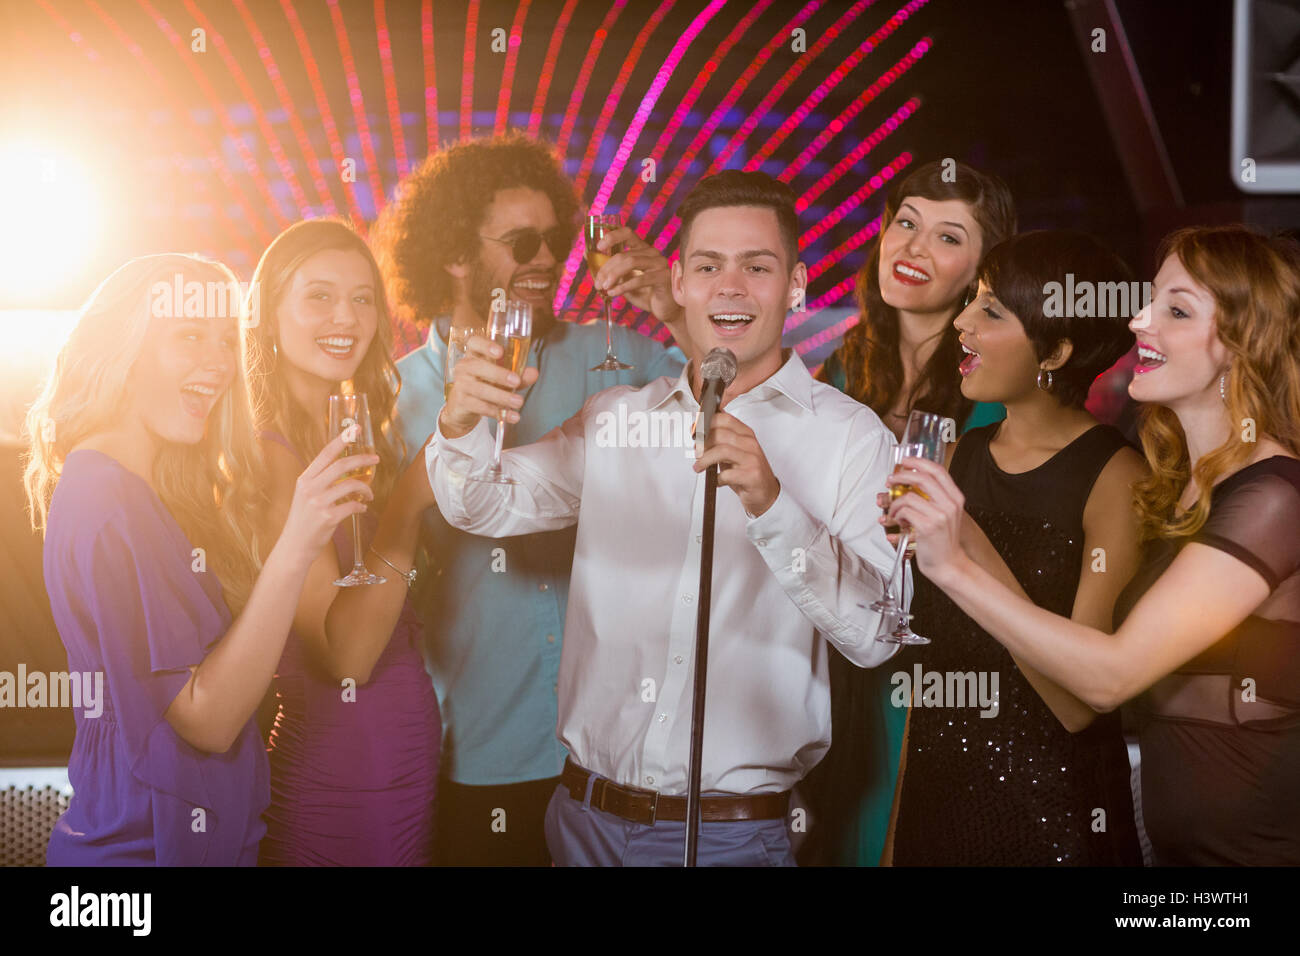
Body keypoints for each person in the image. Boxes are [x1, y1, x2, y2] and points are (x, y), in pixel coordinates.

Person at [428, 169, 901, 866]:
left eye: (757, 267)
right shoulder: (615, 418)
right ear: (679, 284)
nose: (730, 287)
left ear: (796, 285)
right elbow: (481, 503)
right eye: (708, 265)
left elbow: (878, 631)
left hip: (736, 839)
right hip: (584, 824)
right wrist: (461, 420)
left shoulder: (852, 438)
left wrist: (774, 504)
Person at [886, 225, 1300, 865]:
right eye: (1150, 301)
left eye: (1176, 310)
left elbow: (1108, 680)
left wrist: (957, 562)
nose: (1139, 322)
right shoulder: (1187, 489)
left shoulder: (1274, 497)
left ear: (1245, 343)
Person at [377, 133, 689, 865]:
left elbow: (735, 407)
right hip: (482, 746)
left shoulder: (617, 357)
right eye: (523, 244)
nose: (548, 260)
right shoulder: (395, 396)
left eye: (554, 241)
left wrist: (674, 308)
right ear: (455, 252)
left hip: (617, 756)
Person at [24, 254, 369, 865]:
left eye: (225, 342)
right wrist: (300, 539)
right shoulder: (109, 499)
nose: (218, 364)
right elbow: (206, 719)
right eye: (188, 336)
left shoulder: (136, 488)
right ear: (123, 350)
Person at [887, 230, 1147, 865]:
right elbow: (929, 675)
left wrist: (966, 544)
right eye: (973, 300)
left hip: (1048, 813)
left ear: (1055, 350)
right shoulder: (960, 453)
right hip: (936, 800)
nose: (963, 322)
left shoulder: (1118, 478)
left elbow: (1079, 705)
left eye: (991, 311)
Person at [804, 159, 1017, 867]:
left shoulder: (997, 395)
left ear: (983, 272)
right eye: (906, 222)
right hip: (833, 655)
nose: (915, 247)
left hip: (934, 671)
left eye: (948, 236)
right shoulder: (839, 370)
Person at [234, 219, 441, 866]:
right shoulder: (270, 455)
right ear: (269, 315)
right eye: (319, 296)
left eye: (361, 298)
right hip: (343, 776)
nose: (345, 317)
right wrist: (409, 503)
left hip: (400, 770)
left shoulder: (355, 435)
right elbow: (344, 657)